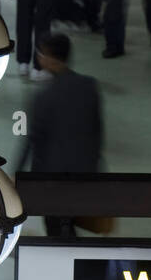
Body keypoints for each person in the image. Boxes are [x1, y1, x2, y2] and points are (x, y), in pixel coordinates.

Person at [16, 33, 103, 237]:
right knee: (69, 224)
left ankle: (69, 262)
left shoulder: (43, 97)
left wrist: (20, 176)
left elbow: (33, 142)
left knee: (56, 229)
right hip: (84, 174)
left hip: (52, 179)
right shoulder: (89, 86)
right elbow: (97, 131)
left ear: (49, 57)